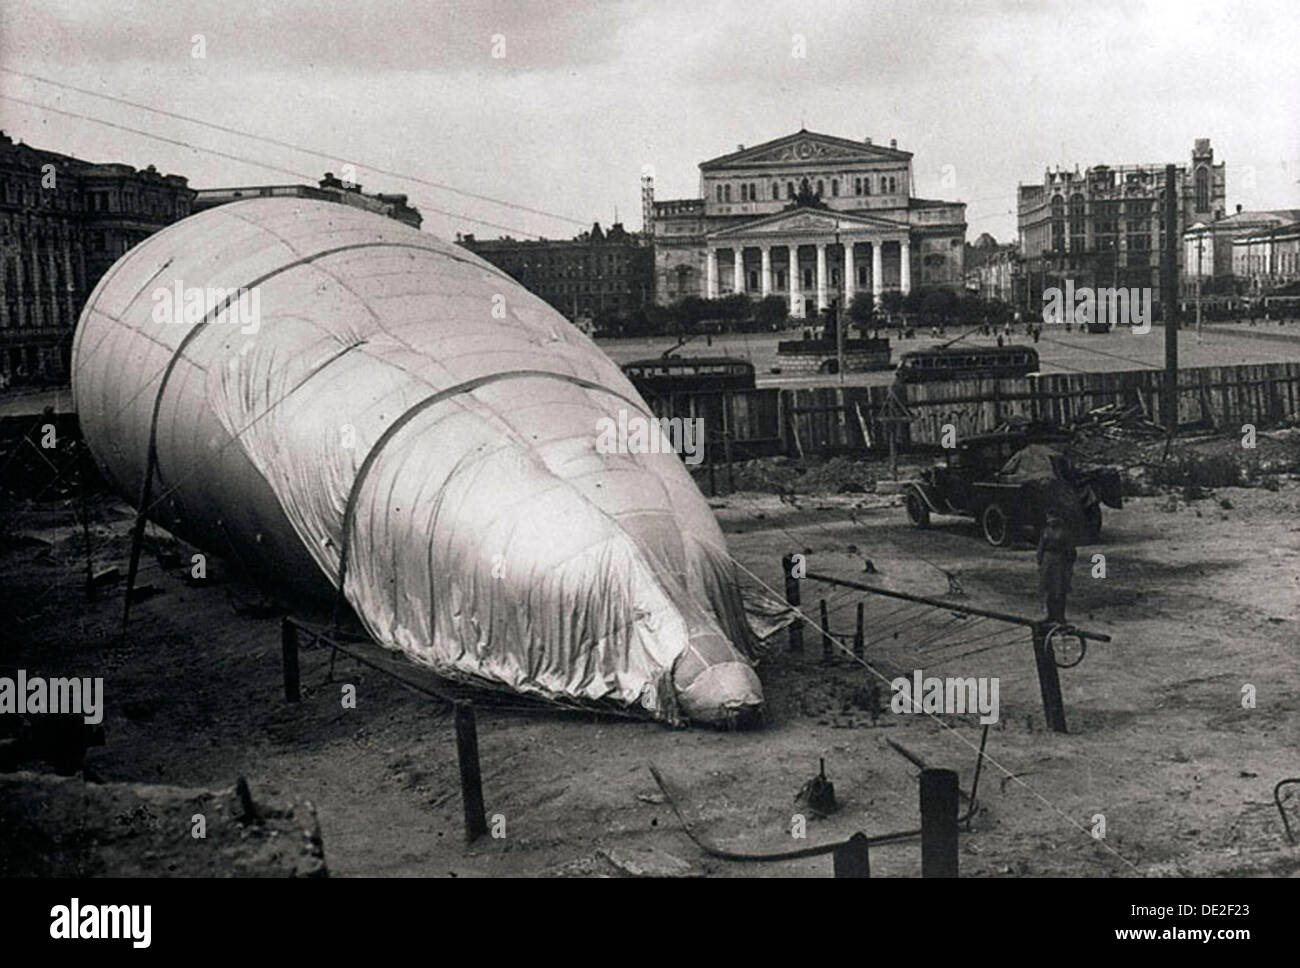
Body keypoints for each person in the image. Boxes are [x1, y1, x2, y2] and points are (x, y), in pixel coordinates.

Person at [1037, 511, 1076, 625]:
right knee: (1049, 589)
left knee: (1059, 589)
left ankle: (1060, 616)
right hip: (1048, 561)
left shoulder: (1064, 532)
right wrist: (1040, 560)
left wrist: (1068, 566)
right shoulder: (1046, 531)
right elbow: (1041, 546)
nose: (1050, 520)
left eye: (1052, 518)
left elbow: (1071, 550)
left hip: (1060, 561)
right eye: (1048, 518)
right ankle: (1050, 615)